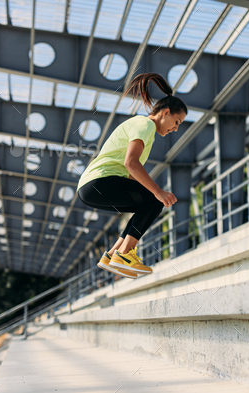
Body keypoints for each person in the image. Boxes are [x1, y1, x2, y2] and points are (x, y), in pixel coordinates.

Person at [77, 73, 187, 279]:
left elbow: (129, 174)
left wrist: (153, 195)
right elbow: (131, 163)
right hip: (99, 181)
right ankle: (125, 254)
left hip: (91, 187)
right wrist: (158, 192)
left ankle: (112, 255)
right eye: (177, 121)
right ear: (165, 112)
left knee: (146, 204)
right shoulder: (145, 125)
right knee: (154, 200)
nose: (176, 128)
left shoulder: (144, 128)